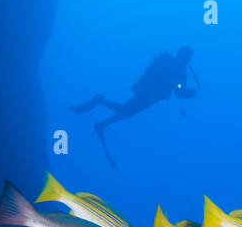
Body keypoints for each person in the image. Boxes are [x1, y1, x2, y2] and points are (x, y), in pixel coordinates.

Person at [70, 47, 199, 166]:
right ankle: (101, 111)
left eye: (189, 57)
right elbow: (168, 83)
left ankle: (102, 123)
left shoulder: (181, 71)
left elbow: (179, 92)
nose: (188, 59)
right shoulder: (171, 65)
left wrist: (188, 94)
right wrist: (184, 91)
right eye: (187, 56)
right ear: (181, 55)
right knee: (126, 111)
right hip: (147, 93)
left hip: (151, 98)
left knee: (127, 112)